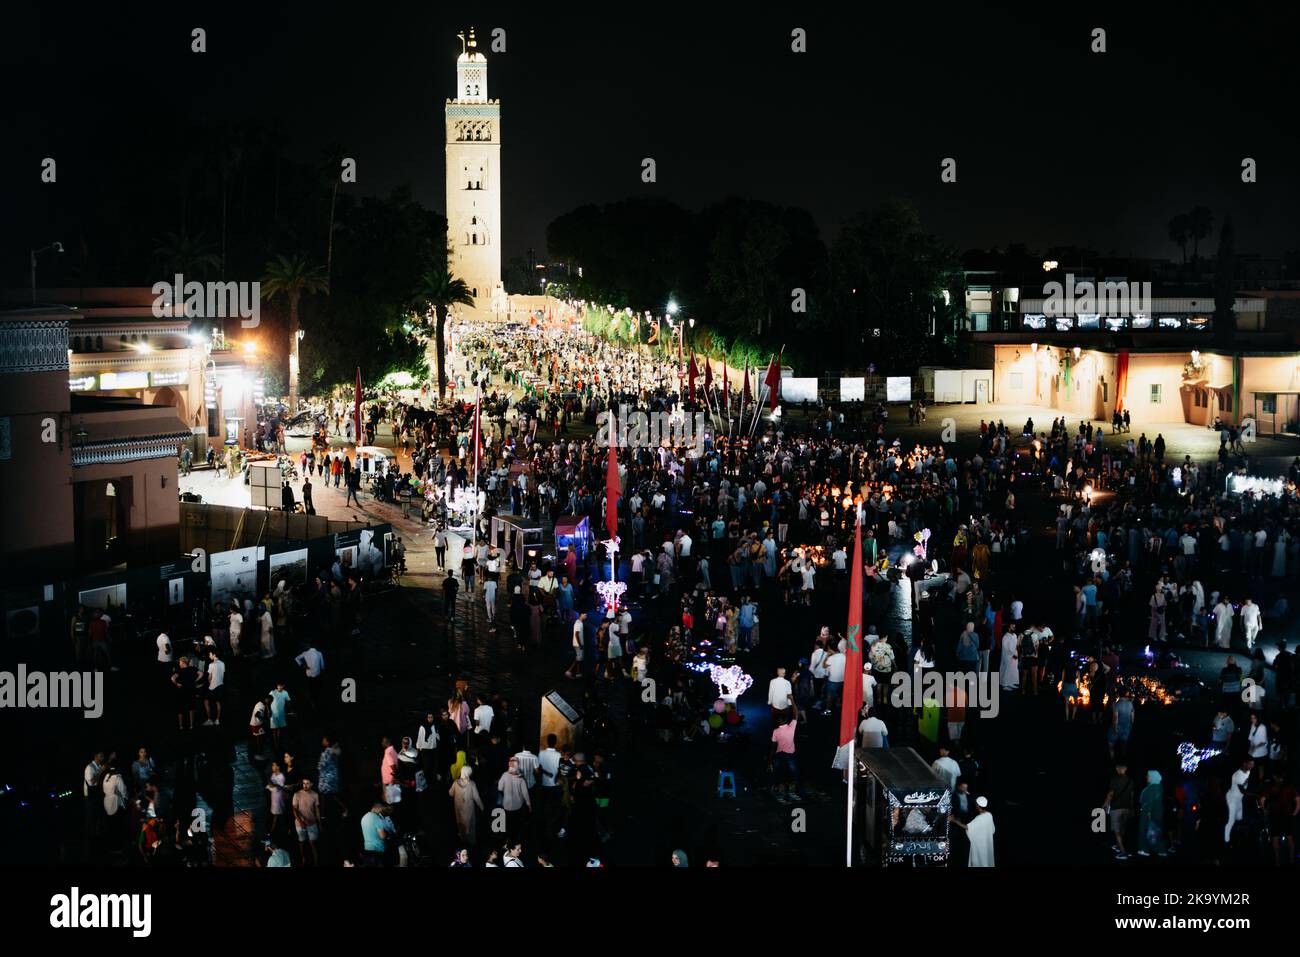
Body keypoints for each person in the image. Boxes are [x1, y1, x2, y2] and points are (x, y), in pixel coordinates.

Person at [1103, 762, 1135, 859]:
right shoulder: (1130, 780)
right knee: (1122, 830)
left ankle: (1123, 852)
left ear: (1118, 769)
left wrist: (1105, 804)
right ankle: (1119, 846)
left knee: (1117, 831)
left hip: (1116, 808)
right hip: (1127, 808)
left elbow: (1111, 794)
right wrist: (1132, 808)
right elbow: (1132, 796)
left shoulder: (1114, 779)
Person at [450, 766, 484, 849]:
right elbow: (477, 797)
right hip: (469, 812)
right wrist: (482, 807)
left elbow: (450, 793)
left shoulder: (455, 783)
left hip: (458, 811)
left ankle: (464, 846)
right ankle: (472, 847)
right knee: (471, 830)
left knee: (461, 829)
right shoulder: (471, 784)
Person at [955, 796, 995, 867]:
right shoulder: (989, 815)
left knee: (979, 862)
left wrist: (954, 820)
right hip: (987, 844)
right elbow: (992, 830)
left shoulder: (979, 818)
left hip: (980, 847)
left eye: (976, 804)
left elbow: (967, 827)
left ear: (978, 806)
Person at [1136, 769, 1167, 856]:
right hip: (1158, 813)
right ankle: (1162, 850)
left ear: (1153, 777)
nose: (1146, 777)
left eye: (1148, 775)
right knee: (1157, 831)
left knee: (1145, 830)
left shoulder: (1152, 788)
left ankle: (1144, 849)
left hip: (1148, 813)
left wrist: (1148, 814)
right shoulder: (1158, 786)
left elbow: (1149, 802)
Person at [292, 779, 321, 866]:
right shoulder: (297, 794)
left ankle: (316, 862)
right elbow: (294, 810)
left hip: (312, 823)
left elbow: (317, 809)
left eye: (307, 783)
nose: (305, 785)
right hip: (300, 824)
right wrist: (301, 822)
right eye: (303, 783)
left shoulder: (315, 795)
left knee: (314, 844)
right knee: (302, 842)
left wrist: (319, 823)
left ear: (311, 784)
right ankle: (303, 858)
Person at [1225, 758, 1253, 845]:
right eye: (1250, 764)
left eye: (1253, 764)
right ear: (1245, 764)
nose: (1252, 766)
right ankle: (1227, 840)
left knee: (1239, 819)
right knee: (1232, 820)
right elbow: (1242, 790)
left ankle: (1237, 838)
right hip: (1232, 798)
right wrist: (1255, 795)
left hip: (1239, 798)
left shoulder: (1248, 772)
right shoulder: (1237, 775)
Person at [359, 801, 394, 867]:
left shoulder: (364, 817)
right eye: (381, 809)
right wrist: (388, 835)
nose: (381, 811)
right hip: (378, 850)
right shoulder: (377, 818)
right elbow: (382, 836)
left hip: (367, 849)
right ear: (378, 808)